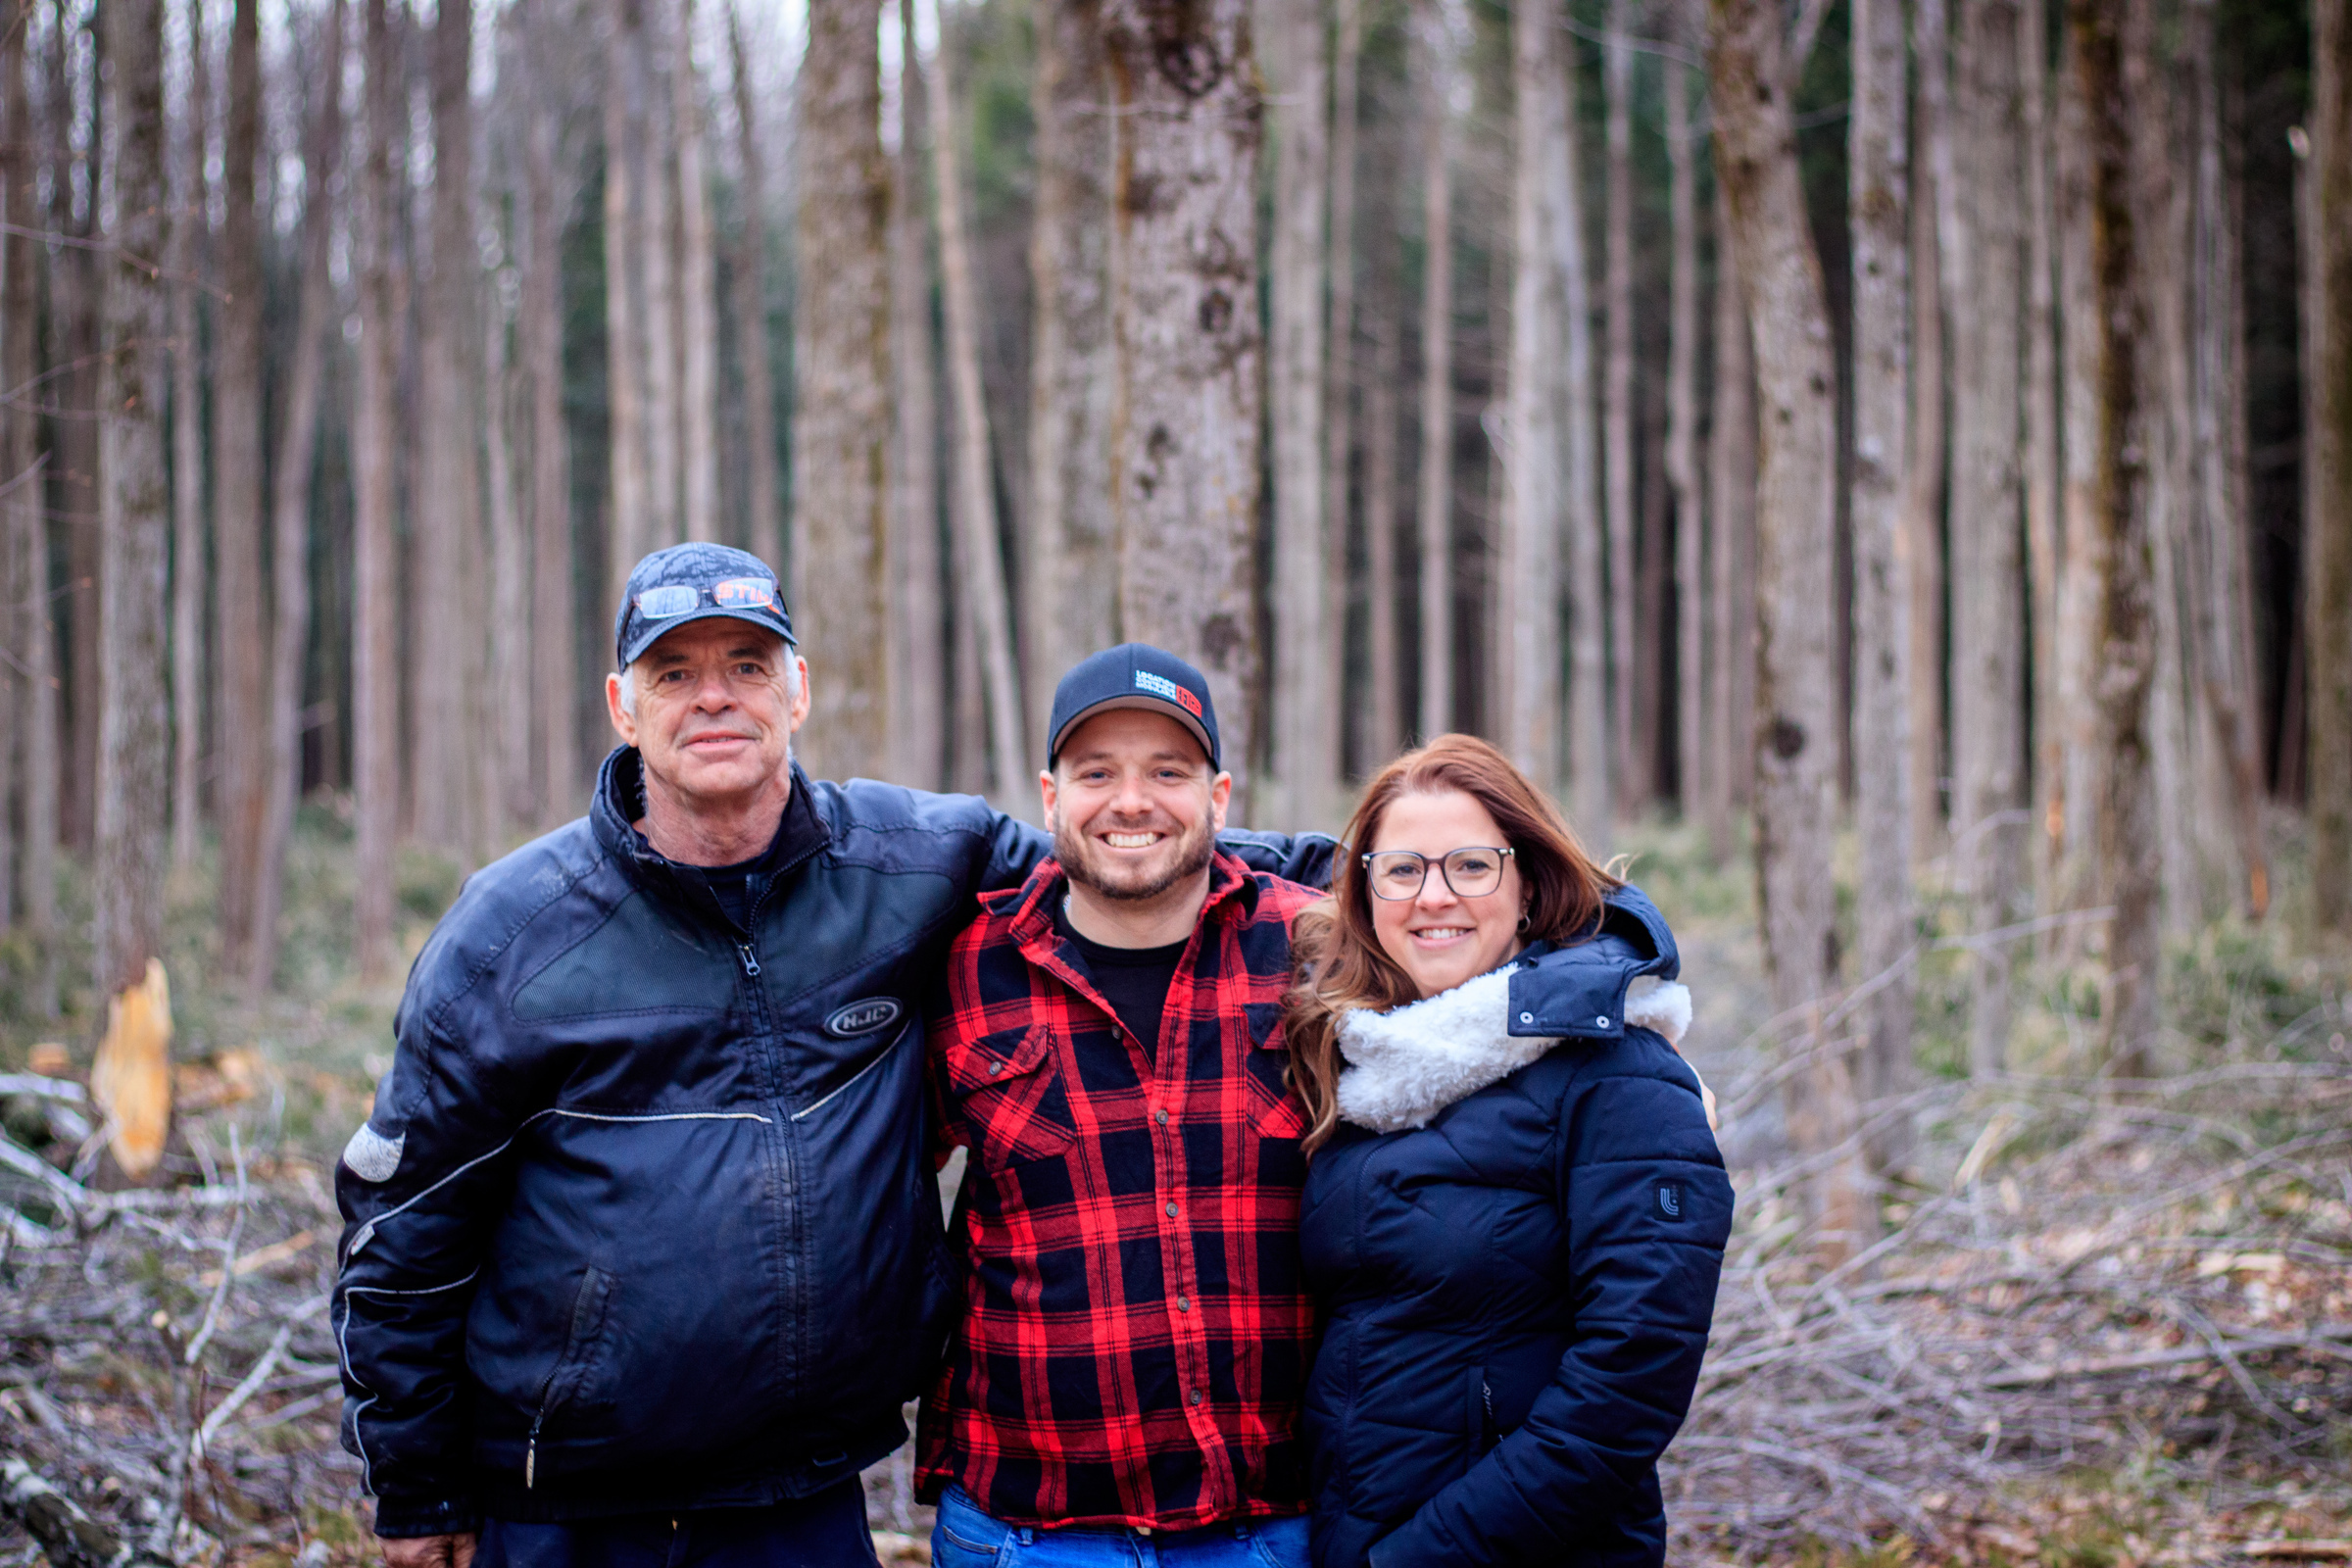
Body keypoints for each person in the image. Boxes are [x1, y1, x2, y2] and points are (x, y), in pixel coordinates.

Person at [333, 549, 1333, 1568]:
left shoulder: (909, 863)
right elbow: (404, 1230)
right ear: (621, 705)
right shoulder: (511, 936)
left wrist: (1418, 877)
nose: (715, 697)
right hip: (570, 1504)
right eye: (674, 673)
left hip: (801, 1495)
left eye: (749, 666)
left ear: (798, 689)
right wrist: (417, 1490)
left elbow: (1129, 847)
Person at [1282, 734, 1731, 1568]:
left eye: (1472, 867)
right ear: (1368, 893)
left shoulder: (1617, 1071)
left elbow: (1633, 1377)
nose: (1433, 896)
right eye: (1404, 870)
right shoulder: (1370, 1071)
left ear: (1526, 884)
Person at [917, 645, 1321, 1568]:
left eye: (1167, 772)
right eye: (1097, 772)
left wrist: (1635, 1066)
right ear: (1052, 799)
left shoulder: (1316, 950)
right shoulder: (961, 964)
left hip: (1275, 1526)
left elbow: (1489, 927)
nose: (1131, 802)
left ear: (1218, 800)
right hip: (1026, 1531)